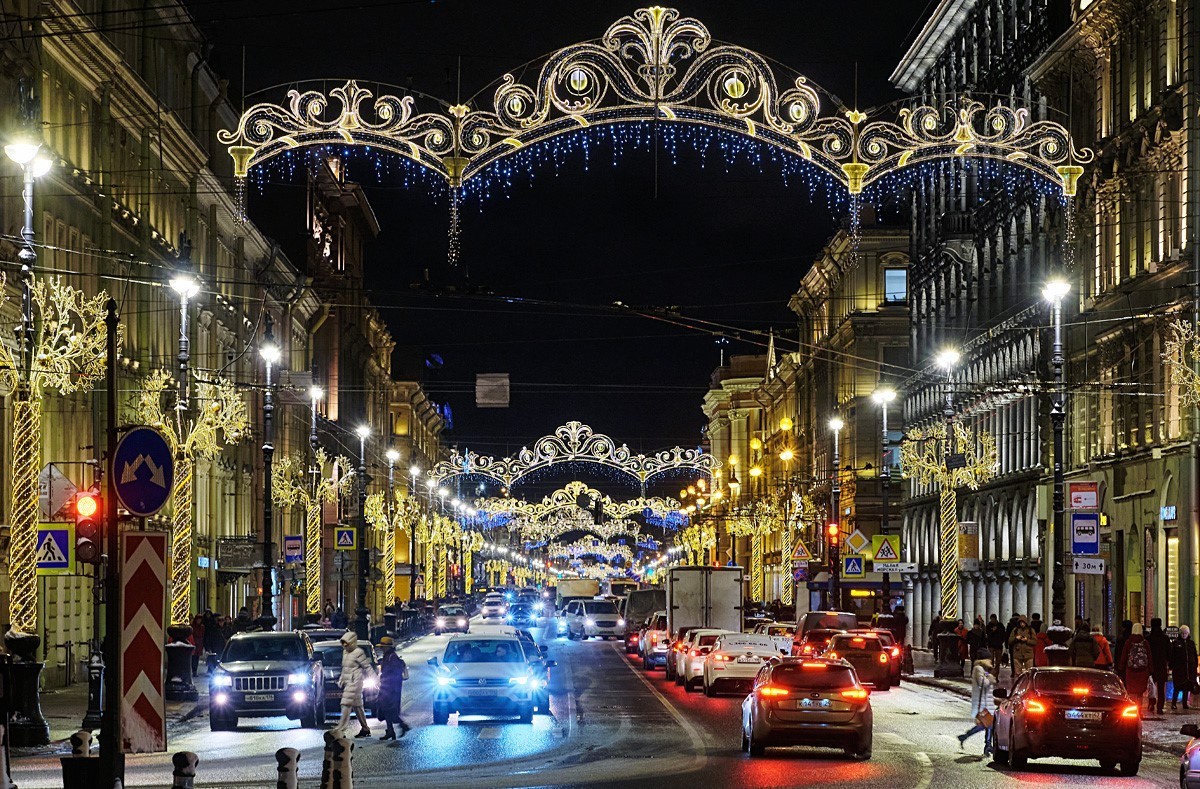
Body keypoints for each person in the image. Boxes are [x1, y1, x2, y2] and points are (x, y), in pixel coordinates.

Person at [336, 632, 375, 738]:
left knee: (345, 704)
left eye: (346, 643)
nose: (344, 645)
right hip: (349, 681)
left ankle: (340, 729)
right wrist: (341, 679)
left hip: (355, 682)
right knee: (357, 706)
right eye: (343, 643)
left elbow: (367, 667)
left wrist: (376, 680)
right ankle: (365, 729)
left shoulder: (358, 652)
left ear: (352, 642)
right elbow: (345, 669)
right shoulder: (345, 653)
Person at [957, 658, 995, 756]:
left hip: (986, 704)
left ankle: (966, 737)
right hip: (983, 705)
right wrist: (990, 679)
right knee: (988, 725)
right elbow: (983, 685)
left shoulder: (983, 672)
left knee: (987, 726)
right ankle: (987, 746)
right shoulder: (979, 670)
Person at [376, 637, 411, 740]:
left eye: (383, 647)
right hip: (387, 687)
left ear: (387, 647)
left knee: (390, 710)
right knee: (385, 709)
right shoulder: (388, 656)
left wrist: (390, 687)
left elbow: (395, 674)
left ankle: (403, 726)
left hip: (391, 688)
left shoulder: (392, 658)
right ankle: (390, 730)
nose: (382, 649)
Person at [1118, 622, 1152, 710]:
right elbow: (1149, 657)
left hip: (1130, 671)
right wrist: (1151, 670)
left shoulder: (1128, 642)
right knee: (1140, 693)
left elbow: (1124, 656)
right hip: (1143, 671)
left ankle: (1133, 709)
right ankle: (1140, 710)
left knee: (1132, 692)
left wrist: (1120, 668)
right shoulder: (1145, 643)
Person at [1170, 626, 1199, 711]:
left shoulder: (1191, 643)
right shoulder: (1176, 643)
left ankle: (1184, 703)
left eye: (1185, 633)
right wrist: (1172, 666)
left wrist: (1195, 666)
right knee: (1177, 687)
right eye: (1182, 633)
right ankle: (1174, 703)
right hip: (1179, 669)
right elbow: (1173, 656)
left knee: (1186, 687)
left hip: (1189, 669)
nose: (1184, 635)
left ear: (1188, 633)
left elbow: (1194, 655)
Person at [1148, 618, 1170, 715]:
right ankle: (1160, 707)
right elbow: (1169, 653)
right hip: (1161, 665)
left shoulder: (1148, 638)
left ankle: (1151, 703)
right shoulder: (1165, 638)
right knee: (1161, 688)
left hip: (1151, 665)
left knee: (1151, 686)